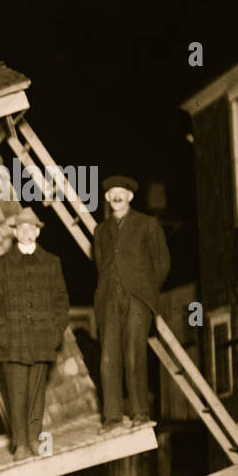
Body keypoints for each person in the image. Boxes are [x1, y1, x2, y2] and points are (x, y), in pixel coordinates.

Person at [0, 207, 70, 461]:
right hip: (13, 341)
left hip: (43, 339)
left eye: (31, 228)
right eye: (22, 228)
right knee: (17, 392)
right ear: (16, 232)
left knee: (36, 392)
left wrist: (55, 330)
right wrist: (1, 331)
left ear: (38, 232)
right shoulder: (2, 264)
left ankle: (34, 438)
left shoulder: (52, 262)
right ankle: (19, 443)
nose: (26, 232)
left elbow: (61, 301)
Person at [93, 175, 170, 431]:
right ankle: (113, 416)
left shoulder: (148, 224)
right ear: (106, 198)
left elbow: (162, 263)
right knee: (107, 357)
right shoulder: (100, 231)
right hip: (109, 299)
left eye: (121, 192)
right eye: (111, 193)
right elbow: (100, 262)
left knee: (134, 354)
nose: (116, 196)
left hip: (138, 299)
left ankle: (140, 413)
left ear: (130, 197)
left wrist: (146, 289)